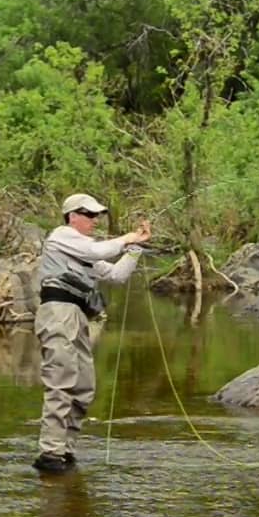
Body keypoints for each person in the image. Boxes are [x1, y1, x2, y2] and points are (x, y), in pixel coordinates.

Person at [33, 192, 149, 473]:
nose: (95, 220)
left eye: (97, 215)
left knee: (84, 387)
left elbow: (116, 275)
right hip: (58, 313)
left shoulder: (83, 250)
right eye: (90, 215)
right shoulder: (61, 235)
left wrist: (135, 249)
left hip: (79, 317)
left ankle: (65, 449)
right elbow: (97, 251)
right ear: (73, 217)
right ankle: (49, 453)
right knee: (61, 382)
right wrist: (128, 238)